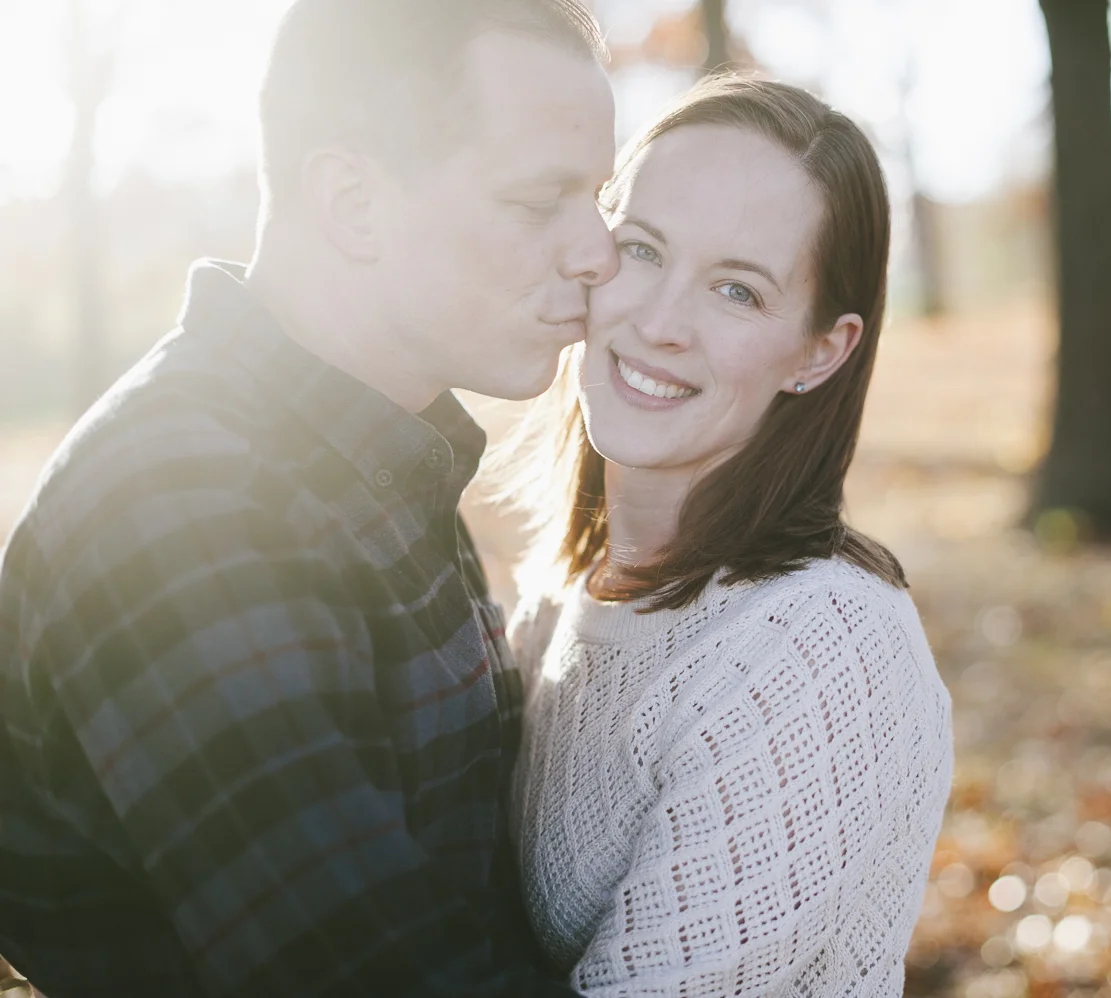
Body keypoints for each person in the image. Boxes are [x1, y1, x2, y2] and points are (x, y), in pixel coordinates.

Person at [0, 1, 618, 995]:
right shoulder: (180, 508)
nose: (598, 251)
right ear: (354, 203)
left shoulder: (374, 461)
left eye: (600, 196)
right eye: (540, 200)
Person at [503, 76, 954, 997]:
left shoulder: (816, 647)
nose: (661, 324)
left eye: (737, 292)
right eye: (642, 250)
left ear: (821, 350)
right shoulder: (558, 599)